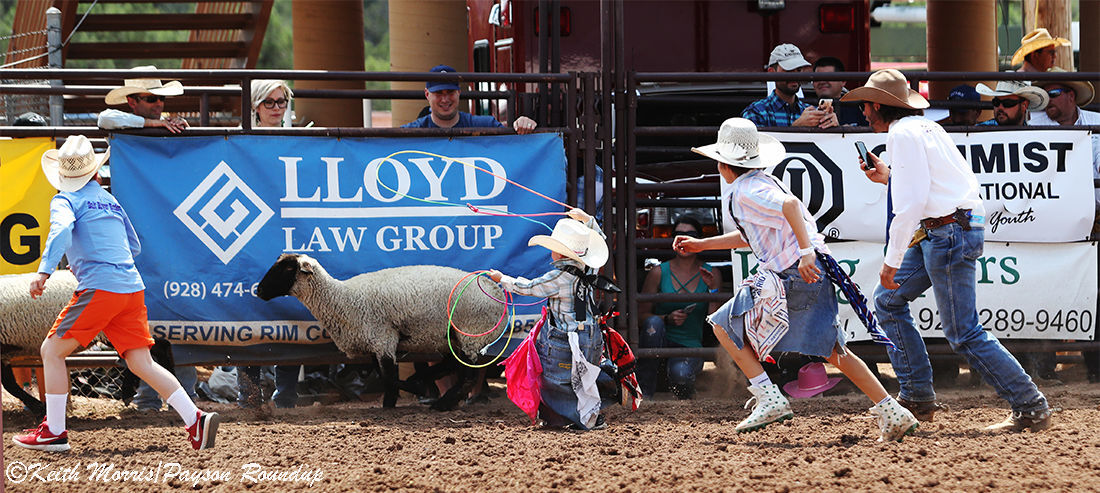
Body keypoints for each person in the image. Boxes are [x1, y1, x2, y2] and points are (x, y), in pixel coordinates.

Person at [675, 118, 918, 442]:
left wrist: (804, 253)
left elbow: (789, 207)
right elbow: (755, 234)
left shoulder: (747, 191)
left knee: (723, 323)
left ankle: (768, 396)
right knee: (833, 350)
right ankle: (892, 411)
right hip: (807, 269)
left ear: (723, 163)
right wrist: (703, 244)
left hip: (793, 271)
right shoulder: (762, 184)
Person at [841, 69, 1052, 431]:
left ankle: (1030, 406)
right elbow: (932, 184)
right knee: (890, 303)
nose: (863, 112)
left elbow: (910, 203)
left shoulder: (902, 134)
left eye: (865, 105)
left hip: (944, 231)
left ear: (877, 105)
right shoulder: (925, 128)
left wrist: (890, 262)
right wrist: (889, 176)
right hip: (950, 228)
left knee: (962, 331)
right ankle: (918, 396)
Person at [14, 136, 220, 452]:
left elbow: (61, 231)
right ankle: (194, 418)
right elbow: (132, 245)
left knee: (51, 351)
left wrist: (45, 271)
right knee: (142, 362)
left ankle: (54, 431)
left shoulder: (65, 199)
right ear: (95, 172)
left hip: (101, 287)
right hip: (130, 287)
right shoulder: (110, 200)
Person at [487, 208, 609, 430]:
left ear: (559, 254)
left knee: (556, 380)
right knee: (585, 378)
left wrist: (502, 279)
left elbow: (528, 287)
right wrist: (587, 220)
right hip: (591, 336)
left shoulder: (558, 276)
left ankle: (570, 418)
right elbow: (600, 239)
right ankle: (590, 415)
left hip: (565, 339)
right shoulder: (590, 268)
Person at [236, 79, 302, 409]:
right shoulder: (239, 141)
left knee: (291, 305)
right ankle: (249, 392)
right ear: (256, 107)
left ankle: (286, 392)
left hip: (287, 230)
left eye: (282, 102)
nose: (277, 108)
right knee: (251, 307)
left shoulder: (300, 140)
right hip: (249, 231)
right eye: (269, 103)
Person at [1031, 70, 1100, 383]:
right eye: (1043, 95)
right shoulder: (1035, 125)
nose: (1047, 101)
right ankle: (1044, 365)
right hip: (1046, 220)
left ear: (1072, 96)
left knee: (1092, 290)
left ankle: (1095, 365)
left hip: (1089, 221)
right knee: (1044, 288)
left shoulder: (1096, 129)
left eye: (1054, 93)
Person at [637, 216, 722, 399]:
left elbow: (715, 319)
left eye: (690, 235)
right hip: (658, 343)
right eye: (678, 235)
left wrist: (712, 289)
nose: (684, 239)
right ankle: (644, 394)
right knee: (653, 324)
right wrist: (666, 318)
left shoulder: (711, 273)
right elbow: (640, 316)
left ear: (699, 240)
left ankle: (682, 394)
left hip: (690, 345)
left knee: (681, 375)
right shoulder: (658, 272)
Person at [401, 64, 537, 134]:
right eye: (438, 93)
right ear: (427, 95)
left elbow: (514, 144)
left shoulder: (487, 125)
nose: (445, 99)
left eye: (450, 92)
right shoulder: (411, 132)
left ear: (459, 92)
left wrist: (523, 125)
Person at [742, 44, 837, 129]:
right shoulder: (755, 112)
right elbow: (756, 148)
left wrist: (834, 127)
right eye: (789, 70)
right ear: (771, 73)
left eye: (799, 70)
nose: (795, 75)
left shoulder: (813, 113)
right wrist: (797, 127)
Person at [98, 65, 189, 133]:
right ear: (132, 102)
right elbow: (104, 118)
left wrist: (185, 128)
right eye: (151, 99)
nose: (159, 103)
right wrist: (151, 123)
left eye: (162, 98)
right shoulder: (121, 123)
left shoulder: (169, 124)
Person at [812, 56, 867, 126]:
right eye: (818, 78)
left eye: (828, 77)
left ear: (843, 81)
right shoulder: (805, 109)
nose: (822, 81)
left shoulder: (858, 108)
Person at [974, 80, 1048, 126]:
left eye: (1008, 103)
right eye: (996, 102)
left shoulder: (1035, 135)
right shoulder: (979, 131)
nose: (1000, 107)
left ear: (1024, 105)